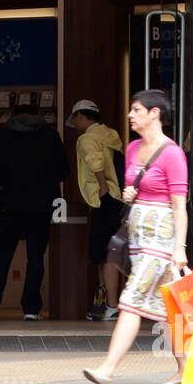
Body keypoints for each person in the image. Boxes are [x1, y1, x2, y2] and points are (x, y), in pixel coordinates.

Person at [82, 90, 189, 384]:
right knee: (167, 307)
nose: (130, 115)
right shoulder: (131, 149)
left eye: (137, 110)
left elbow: (180, 205)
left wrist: (179, 248)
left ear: (155, 113)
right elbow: (133, 187)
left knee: (130, 301)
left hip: (161, 239)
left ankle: (108, 368)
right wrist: (130, 194)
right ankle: (186, 369)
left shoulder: (172, 153)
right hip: (139, 238)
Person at [0, 104, 69, 321]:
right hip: (41, 205)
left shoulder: (4, 135)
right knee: (35, 258)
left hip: (10, 203)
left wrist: (9, 181)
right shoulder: (50, 135)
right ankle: (31, 309)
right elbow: (63, 170)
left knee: (2, 256)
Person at [67, 99, 126, 321]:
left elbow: (95, 162)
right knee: (106, 253)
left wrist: (102, 188)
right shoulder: (110, 135)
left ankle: (111, 306)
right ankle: (104, 303)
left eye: (75, 118)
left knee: (105, 254)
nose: (74, 124)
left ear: (81, 116)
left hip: (104, 199)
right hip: (117, 197)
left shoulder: (87, 139)